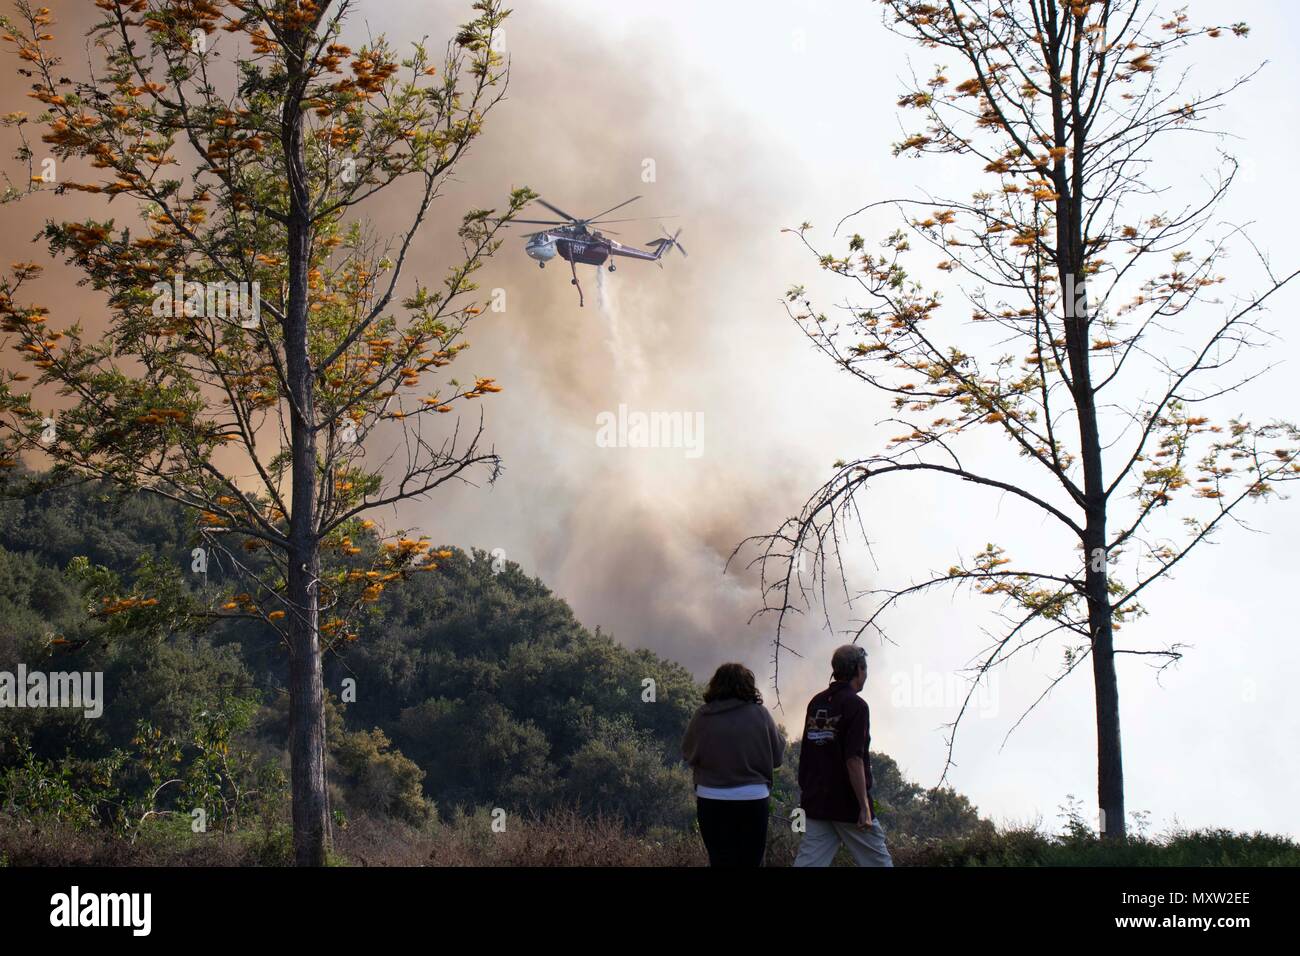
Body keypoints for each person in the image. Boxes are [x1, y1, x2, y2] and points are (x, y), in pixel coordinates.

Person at [793, 644, 893, 867]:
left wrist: (807, 792)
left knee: (809, 863)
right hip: (847, 806)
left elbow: (808, 753)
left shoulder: (816, 702)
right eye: (865, 669)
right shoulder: (857, 706)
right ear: (859, 669)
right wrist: (864, 807)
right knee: (879, 862)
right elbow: (853, 759)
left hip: (817, 802)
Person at [681, 662, 785, 867]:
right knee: (752, 861)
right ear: (748, 685)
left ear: (716, 684)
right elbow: (777, 757)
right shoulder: (760, 714)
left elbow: (688, 753)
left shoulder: (703, 715)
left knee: (720, 860)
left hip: (711, 798)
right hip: (752, 798)